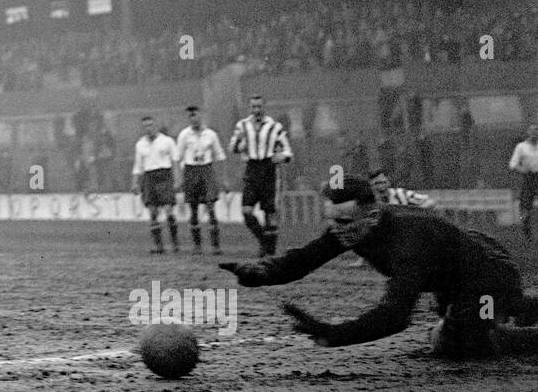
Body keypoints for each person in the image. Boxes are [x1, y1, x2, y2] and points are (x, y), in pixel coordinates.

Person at [219, 177, 538, 358]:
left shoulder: (408, 243)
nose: (335, 231)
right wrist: (260, 273)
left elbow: (395, 316)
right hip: (456, 276)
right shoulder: (353, 227)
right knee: (451, 328)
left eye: (342, 221)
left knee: (458, 344)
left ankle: (518, 319)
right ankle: (508, 311)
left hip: (490, 277)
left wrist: (334, 334)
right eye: (331, 221)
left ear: (371, 215)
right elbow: (305, 258)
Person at [229, 94, 292, 256]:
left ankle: (270, 252)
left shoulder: (275, 127)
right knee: (246, 211)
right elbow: (233, 148)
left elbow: (287, 151)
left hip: (268, 168)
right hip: (252, 168)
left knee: (269, 212)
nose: (256, 110)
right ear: (249, 107)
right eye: (253, 107)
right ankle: (264, 241)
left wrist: (282, 156)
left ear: (264, 107)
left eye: (259, 106)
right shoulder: (242, 125)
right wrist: (239, 143)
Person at [174, 104, 226, 252]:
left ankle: (215, 246)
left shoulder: (210, 134)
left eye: (195, 114)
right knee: (194, 208)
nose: (193, 118)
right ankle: (197, 245)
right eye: (190, 116)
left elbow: (220, 156)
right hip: (191, 170)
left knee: (210, 206)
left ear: (200, 115)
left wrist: (223, 178)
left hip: (206, 169)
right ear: (188, 118)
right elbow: (177, 158)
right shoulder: (184, 135)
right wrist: (178, 179)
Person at [131, 115, 180, 254]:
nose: (149, 128)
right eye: (146, 126)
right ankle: (159, 246)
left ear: (156, 126)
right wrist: (135, 182)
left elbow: (175, 161)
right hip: (149, 177)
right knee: (153, 213)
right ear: (143, 127)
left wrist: (177, 180)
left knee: (169, 211)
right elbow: (138, 166)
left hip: (164, 175)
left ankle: (175, 243)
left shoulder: (167, 141)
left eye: (151, 125)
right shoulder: (140, 144)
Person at [508, 123, 538, 242]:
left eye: (537, 130)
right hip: (529, 177)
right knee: (525, 206)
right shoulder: (521, 147)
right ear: (528, 132)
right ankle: (526, 231)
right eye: (533, 130)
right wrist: (522, 169)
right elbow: (512, 164)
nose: (535, 132)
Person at [368, 169, 435, 209]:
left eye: (383, 182)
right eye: (376, 183)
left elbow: (429, 202)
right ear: (371, 185)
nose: (380, 186)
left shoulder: (400, 193)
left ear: (389, 182)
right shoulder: (367, 199)